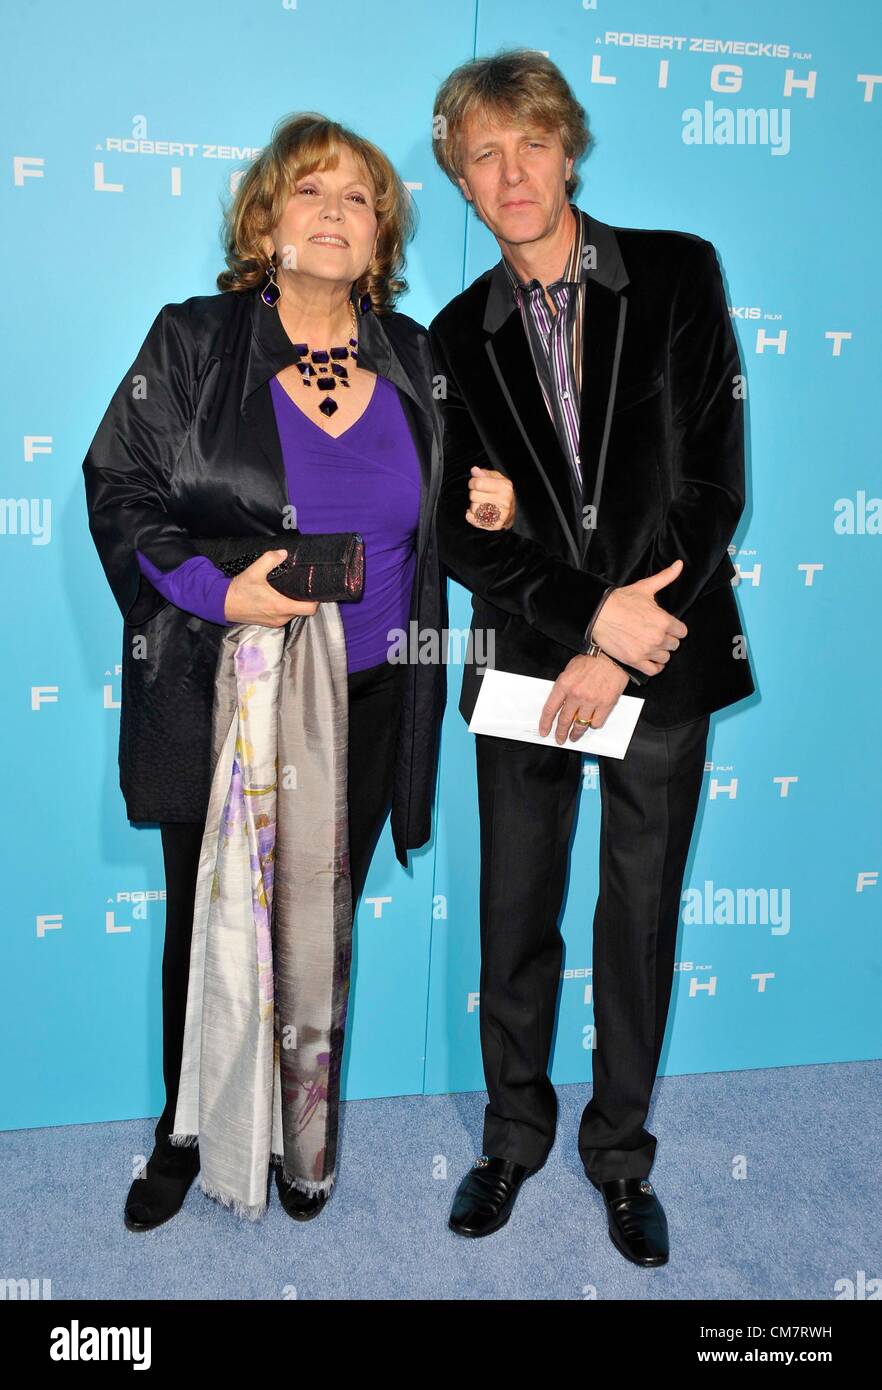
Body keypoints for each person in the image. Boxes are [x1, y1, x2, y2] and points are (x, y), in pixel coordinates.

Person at [82, 111, 513, 1232]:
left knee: (316, 920)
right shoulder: (193, 340)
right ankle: (186, 1131)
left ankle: (295, 1130)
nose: (334, 213)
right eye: (309, 192)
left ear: (381, 236)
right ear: (266, 222)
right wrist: (227, 592)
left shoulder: (416, 357)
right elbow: (118, 489)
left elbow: (453, 515)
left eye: (359, 198)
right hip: (225, 685)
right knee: (208, 916)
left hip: (369, 699)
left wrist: (489, 500)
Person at [428, 50, 755, 1266]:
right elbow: (463, 533)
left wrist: (619, 651)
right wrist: (579, 626)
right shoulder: (456, 336)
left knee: (637, 919)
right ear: (463, 184)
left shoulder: (675, 272)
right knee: (515, 915)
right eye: (482, 156)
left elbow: (712, 486)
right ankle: (512, 1137)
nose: (510, 173)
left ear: (567, 148)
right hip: (527, 661)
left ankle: (619, 1156)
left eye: (529, 145)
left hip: (660, 656)